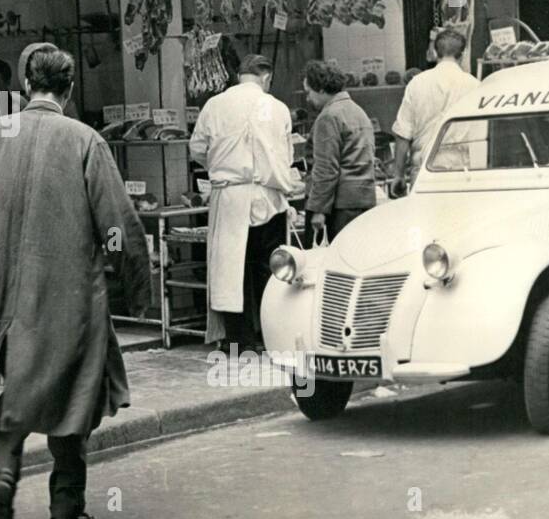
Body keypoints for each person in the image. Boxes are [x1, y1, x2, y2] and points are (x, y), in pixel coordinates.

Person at [0, 44, 151, 519]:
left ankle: (6, 468)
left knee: (17, 387)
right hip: (69, 299)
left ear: (24, 87)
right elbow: (118, 225)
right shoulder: (84, 139)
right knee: (73, 400)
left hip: (7, 297)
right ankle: (66, 510)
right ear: (70, 89)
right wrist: (134, 286)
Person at [189, 53, 297, 349]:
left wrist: (221, 163)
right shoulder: (277, 108)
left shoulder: (215, 105)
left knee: (231, 271)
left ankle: (238, 339)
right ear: (266, 78)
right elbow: (287, 156)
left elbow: (197, 147)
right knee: (267, 268)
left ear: (239, 77)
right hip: (268, 196)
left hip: (230, 196)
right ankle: (269, 335)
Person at [390, 28, 478, 193]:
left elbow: (403, 133)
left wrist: (398, 175)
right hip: (461, 172)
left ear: (435, 52)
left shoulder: (417, 83)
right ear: (463, 54)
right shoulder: (474, 85)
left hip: (424, 172)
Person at [303, 60, 377, 239]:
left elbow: (326, 168)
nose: (308, 98)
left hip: (339, 206)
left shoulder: (328, 117)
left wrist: (318, 209)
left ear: (320, 89)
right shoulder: (358, 111)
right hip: (364, 199)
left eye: (309, 92)